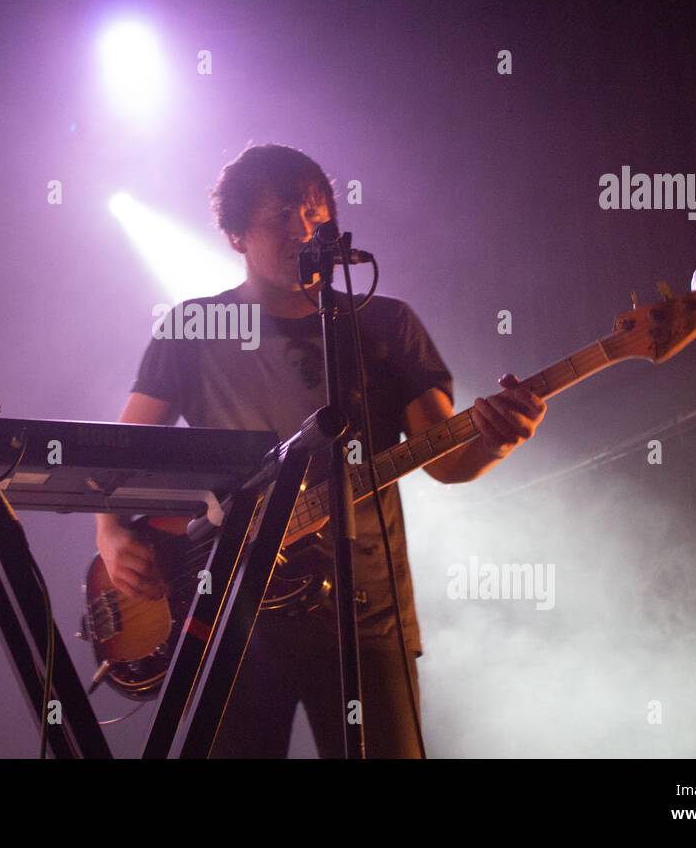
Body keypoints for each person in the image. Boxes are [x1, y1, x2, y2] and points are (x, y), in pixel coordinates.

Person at [95, 144, 546, 757]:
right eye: (281, 214)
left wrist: (496, 441)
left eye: (314, 211)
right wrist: (111, 536)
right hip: (232, 621)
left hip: (366, 617)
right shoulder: (192, 327)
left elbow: (445, 458)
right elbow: (118, 453)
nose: (304, 227)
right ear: (234, 234)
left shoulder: (386, 324)